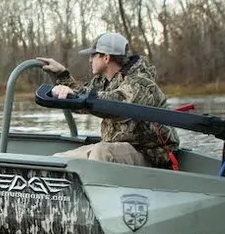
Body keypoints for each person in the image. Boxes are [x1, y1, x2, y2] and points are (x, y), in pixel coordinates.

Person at [37, 32, 180, 168]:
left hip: (151, 155)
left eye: (93, 55)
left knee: (102, 152)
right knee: (59, 159)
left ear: (106, 58)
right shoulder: (104, 80)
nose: (90, 60)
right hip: (119, 149)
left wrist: (76, 94)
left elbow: (116, 104)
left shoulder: (140, 82)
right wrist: (62, 74)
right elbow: (82, 102)